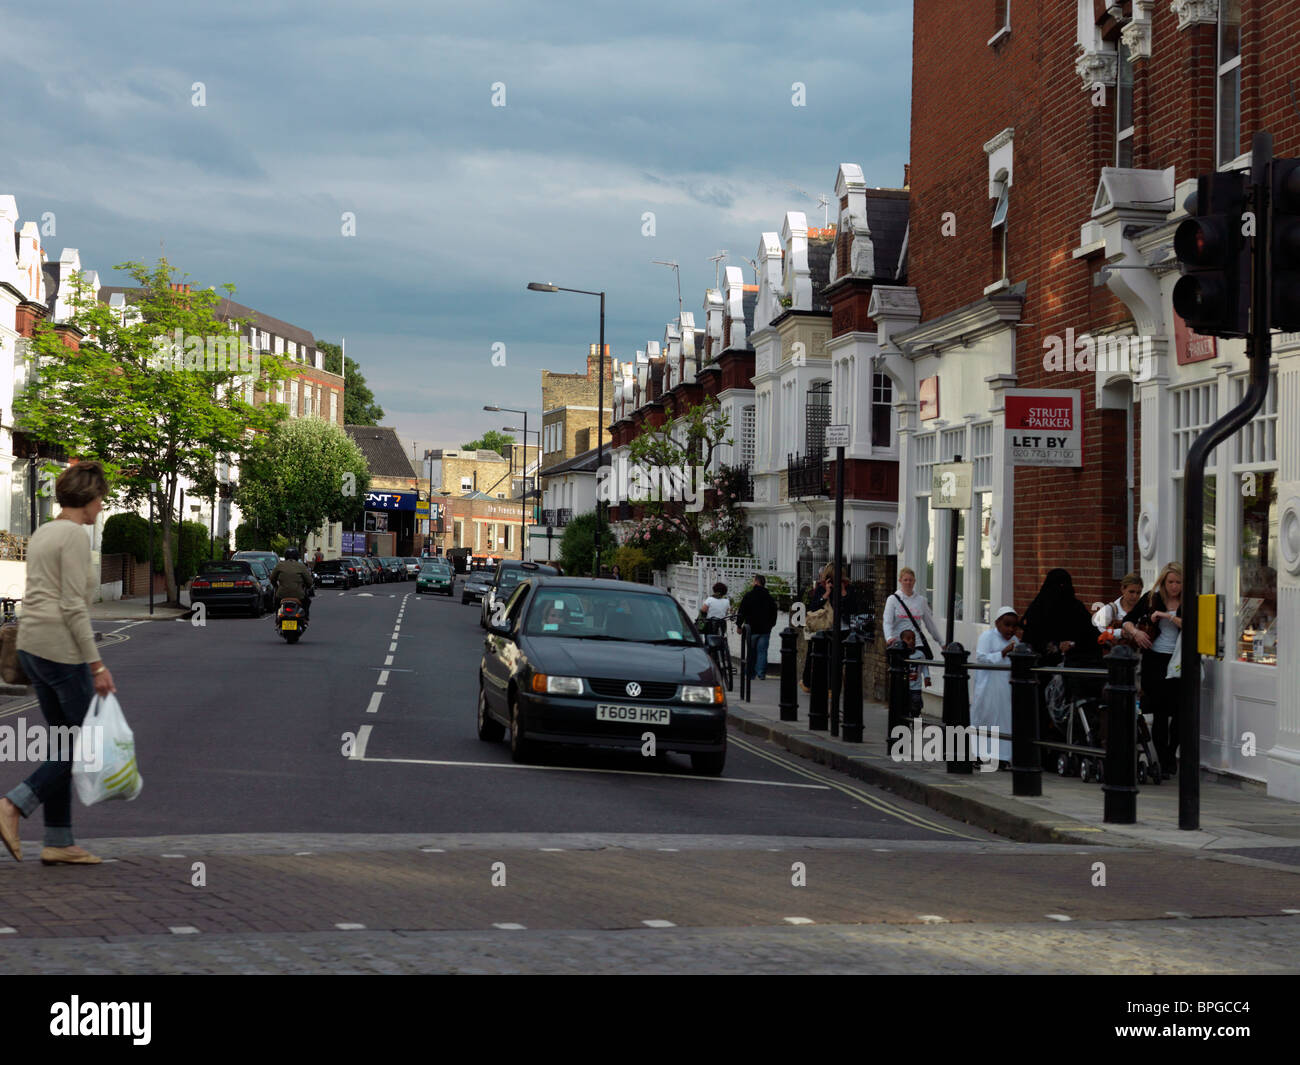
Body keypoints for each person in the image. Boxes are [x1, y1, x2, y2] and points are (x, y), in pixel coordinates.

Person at [0, 461, 115, 866]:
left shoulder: (46, 531)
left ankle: (59, 841)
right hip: (59, 650)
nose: (102, 505)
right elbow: (72, 607)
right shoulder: (75, 537)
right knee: (83, 745)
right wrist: (96, 666)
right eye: (101, 497)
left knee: (65, 741)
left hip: (31, 646)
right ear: (87, 497)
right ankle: (13, 805)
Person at [1121, 562, 1184, 779]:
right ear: (1163, 582)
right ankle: (1166, 761)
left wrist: (1168, 616)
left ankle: (1169, 753)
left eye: (1178, 582)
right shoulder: (1151, 598)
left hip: (1178, 660)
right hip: (1155, 659)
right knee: (1160, 712)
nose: (1174, 586)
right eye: (1170, 582)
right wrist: (1136, 633)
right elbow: (1127, 620)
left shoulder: (1188, 601)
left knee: (1179, 713)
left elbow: (1195, 625)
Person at [1020, 569, 1099, 667]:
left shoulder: (1076, 608)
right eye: (1058, 585)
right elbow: (1032, 640)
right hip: (1043, 668)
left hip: (1075, 667)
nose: (1061, 589)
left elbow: (1091, 635)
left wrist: (1072, 644)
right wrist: (1056, 646)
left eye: (1064, 585)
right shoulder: (1038, 609)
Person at [970, 606, 1018, 765]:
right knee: (985, 719)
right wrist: (1003, 652)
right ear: (997, 623)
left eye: (1013, 626)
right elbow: (982, 658)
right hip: (987, 688)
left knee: (1004, 721)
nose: (1010, 629)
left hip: (1005, 688)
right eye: (1007, 624)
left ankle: (1002, 757)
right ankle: (979, 754)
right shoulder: (987, 637)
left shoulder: (1015, 641)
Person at [882, 567, 943, 653]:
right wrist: (889, 637)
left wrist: (941, 642)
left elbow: (930, 624)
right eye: (905, 580)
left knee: (921, 665)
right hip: (899, 645)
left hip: (917, 644)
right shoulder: (892, 600)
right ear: (900, 581)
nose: (908, 582)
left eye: (910, 580)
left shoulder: (921, 601)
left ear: (914, 581)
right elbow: (887, 622)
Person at [736, 574, 779, 680]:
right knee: (762, 652)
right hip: (765, 629)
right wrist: (771, 624)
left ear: (756, 582)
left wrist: (739, 625)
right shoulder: (769, 597)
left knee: (751, 651)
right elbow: (774, 612)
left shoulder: (749, 596)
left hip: (751, 628)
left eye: (753, 580)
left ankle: (750, 673)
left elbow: (742, 611)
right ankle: (761, 673)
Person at [270, 547, 315, 620]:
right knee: (307, 602)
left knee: (276, 604)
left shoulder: (280, 565)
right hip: (298, 595)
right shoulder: (301, 566)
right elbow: (309, 581)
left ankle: (277, 618)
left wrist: (276, 586)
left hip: (282, 594)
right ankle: (305, 617)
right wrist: (307, 586)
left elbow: (272, 578)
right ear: (297, 556)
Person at [899, 628, 931, 713]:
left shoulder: (920, 654)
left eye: (913, 639)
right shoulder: (900, 655)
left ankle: (917, 725)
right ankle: (905, 725)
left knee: (916, 709)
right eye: (908, 639)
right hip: (903, 687)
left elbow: (924, 666)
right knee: (903, 709)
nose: (911, 641)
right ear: (902, 641)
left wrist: (927, 677)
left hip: (916, 687)